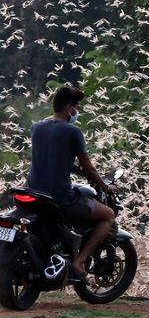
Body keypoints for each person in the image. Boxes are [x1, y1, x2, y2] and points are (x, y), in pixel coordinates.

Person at [26, 85, 118, 282]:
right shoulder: (72, 131)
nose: (77, 112)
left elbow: (53, 158)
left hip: (32, 193)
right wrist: (105, 186)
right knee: (108, 215)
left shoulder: (37, 127)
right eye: (77, 107)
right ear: (69, 108)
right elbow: (89, 168)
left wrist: (73, 168)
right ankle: (79, 262)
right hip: (59, 198)